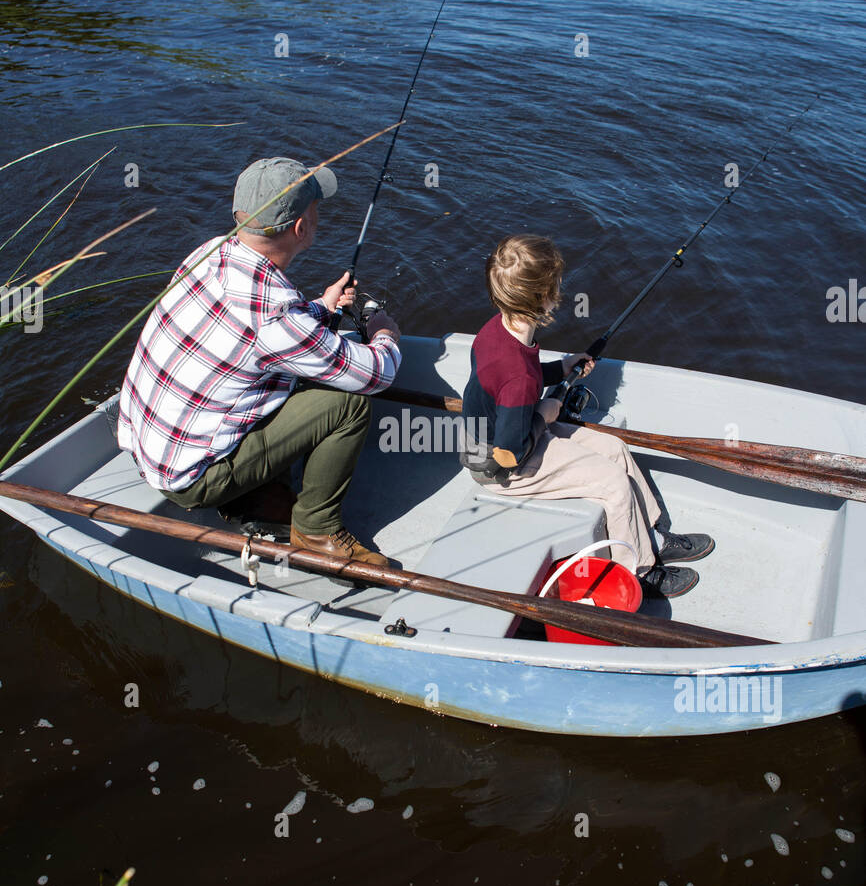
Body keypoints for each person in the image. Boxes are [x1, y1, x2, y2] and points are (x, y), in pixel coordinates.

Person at [117, 156, 401, 567]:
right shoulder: (273, 315)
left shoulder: (210, 251)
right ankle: (316, 532)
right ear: (301, 227)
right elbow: (377, 375)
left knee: (294, 374)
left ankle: (257, 495)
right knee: (348, 403)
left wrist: (322, 306)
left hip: (146, 450)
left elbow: (255, 333)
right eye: (314, 208)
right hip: (190, 480)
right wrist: (384, 332)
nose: (318, 215)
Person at [459, 234, 714, 600]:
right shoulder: (516, 372)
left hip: (516, 430)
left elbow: (518, 379)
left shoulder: (498, 330)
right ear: (544, 296)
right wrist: (545, 416)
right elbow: (507, 453)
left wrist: (560, 369)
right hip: (502, 466)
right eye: (556, 284)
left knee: (615, 449)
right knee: (613, 482)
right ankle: (639, 572)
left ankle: (655, 535)